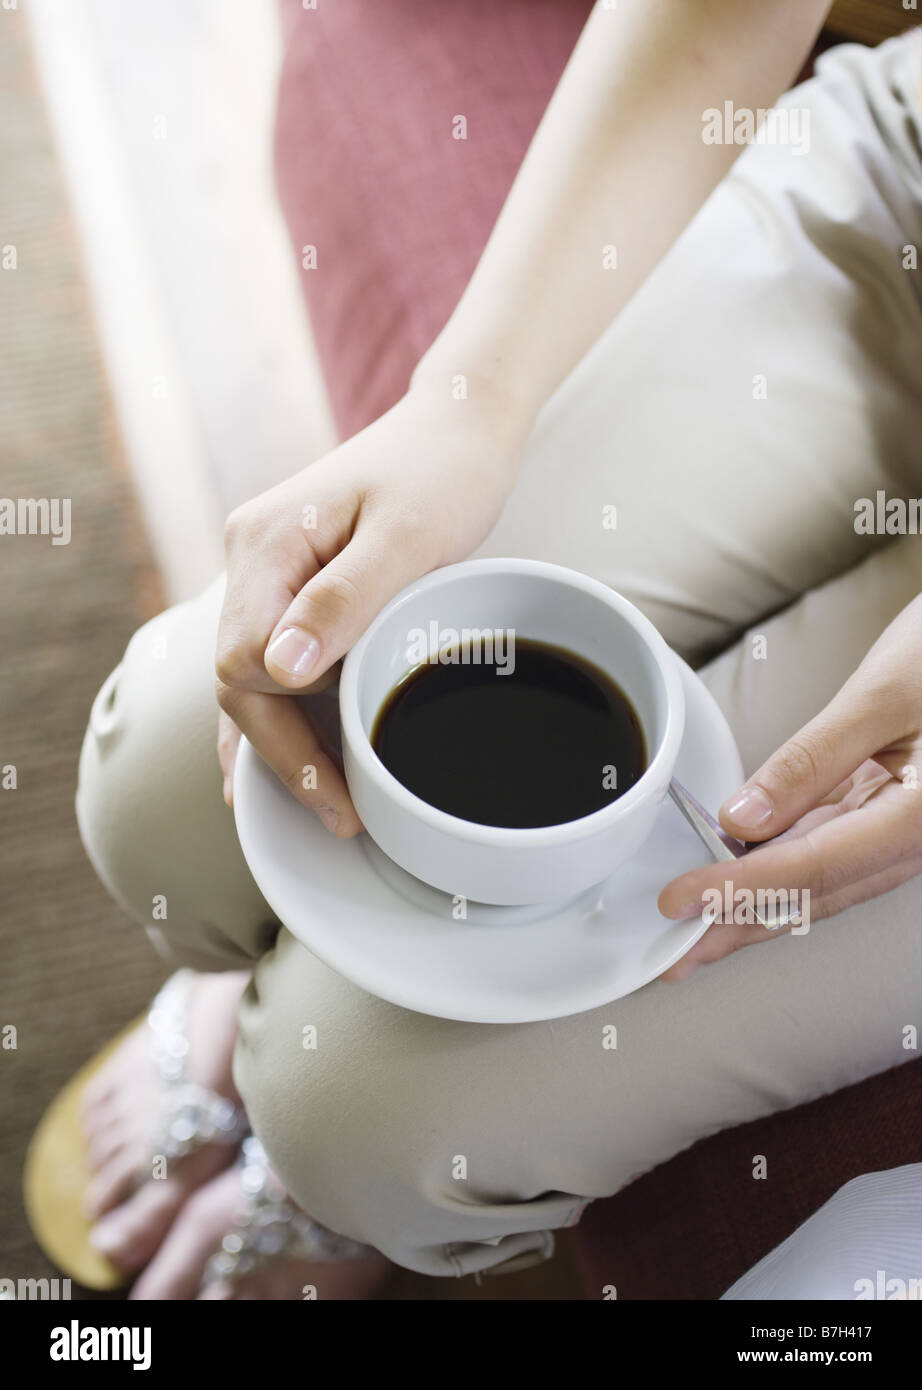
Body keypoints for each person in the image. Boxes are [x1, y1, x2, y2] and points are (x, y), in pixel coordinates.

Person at [58, 1, 922, 1297]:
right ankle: (288, 969)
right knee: (165, 770)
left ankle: (313, 1124)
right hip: (895, 203)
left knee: (364, 1112)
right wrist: (466, 397)